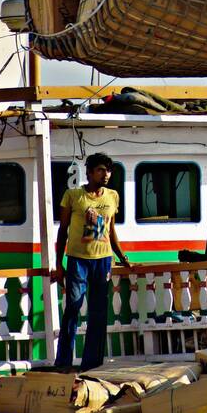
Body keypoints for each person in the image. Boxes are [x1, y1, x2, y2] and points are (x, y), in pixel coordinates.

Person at [52, 152, 131, 372]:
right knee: (73, 309)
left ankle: (92, 363)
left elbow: (111, 230)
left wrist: (123, 257)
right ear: (89, 173)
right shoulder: (73, 195)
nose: (106, 174)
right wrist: (59, 265)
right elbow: (63, 232)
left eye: (108, 170)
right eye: (101, 170)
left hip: (103, 261)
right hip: (78, 260)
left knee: (98, 313)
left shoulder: (112, 196)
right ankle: (64, 362)